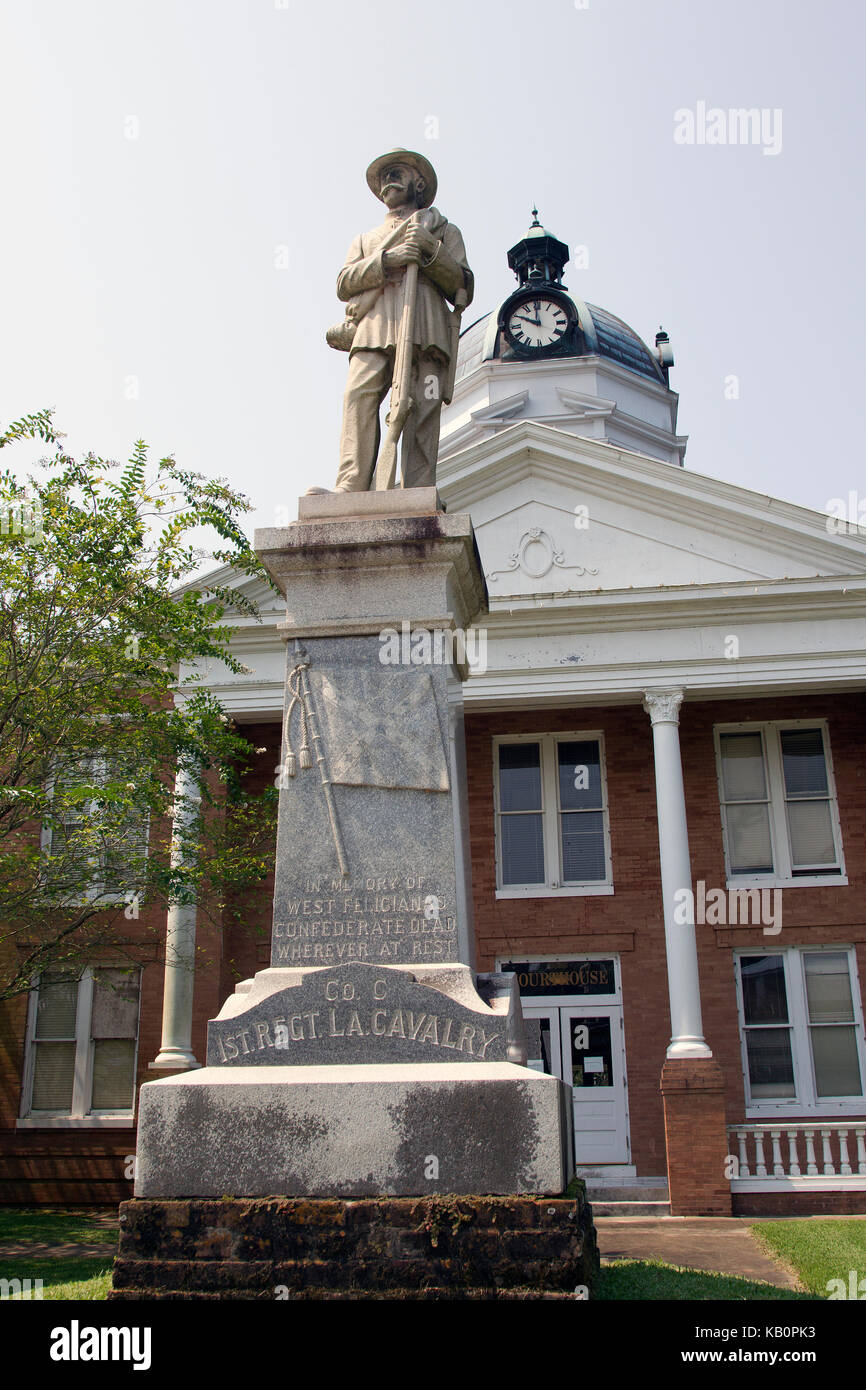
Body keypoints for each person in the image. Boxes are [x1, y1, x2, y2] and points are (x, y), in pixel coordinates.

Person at [330, 149, 473, 491]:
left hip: (427, 322)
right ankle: (351, 482)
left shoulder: (441, 229)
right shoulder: (366, 239)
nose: (388, 180)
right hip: (375, 323)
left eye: (397, 172)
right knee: (358, 396)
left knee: (424, 404)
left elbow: (463, 287)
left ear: (419, 182)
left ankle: (418, 488)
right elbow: (344, 283)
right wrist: (388, 259)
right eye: (384, 176)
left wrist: (430, 251)